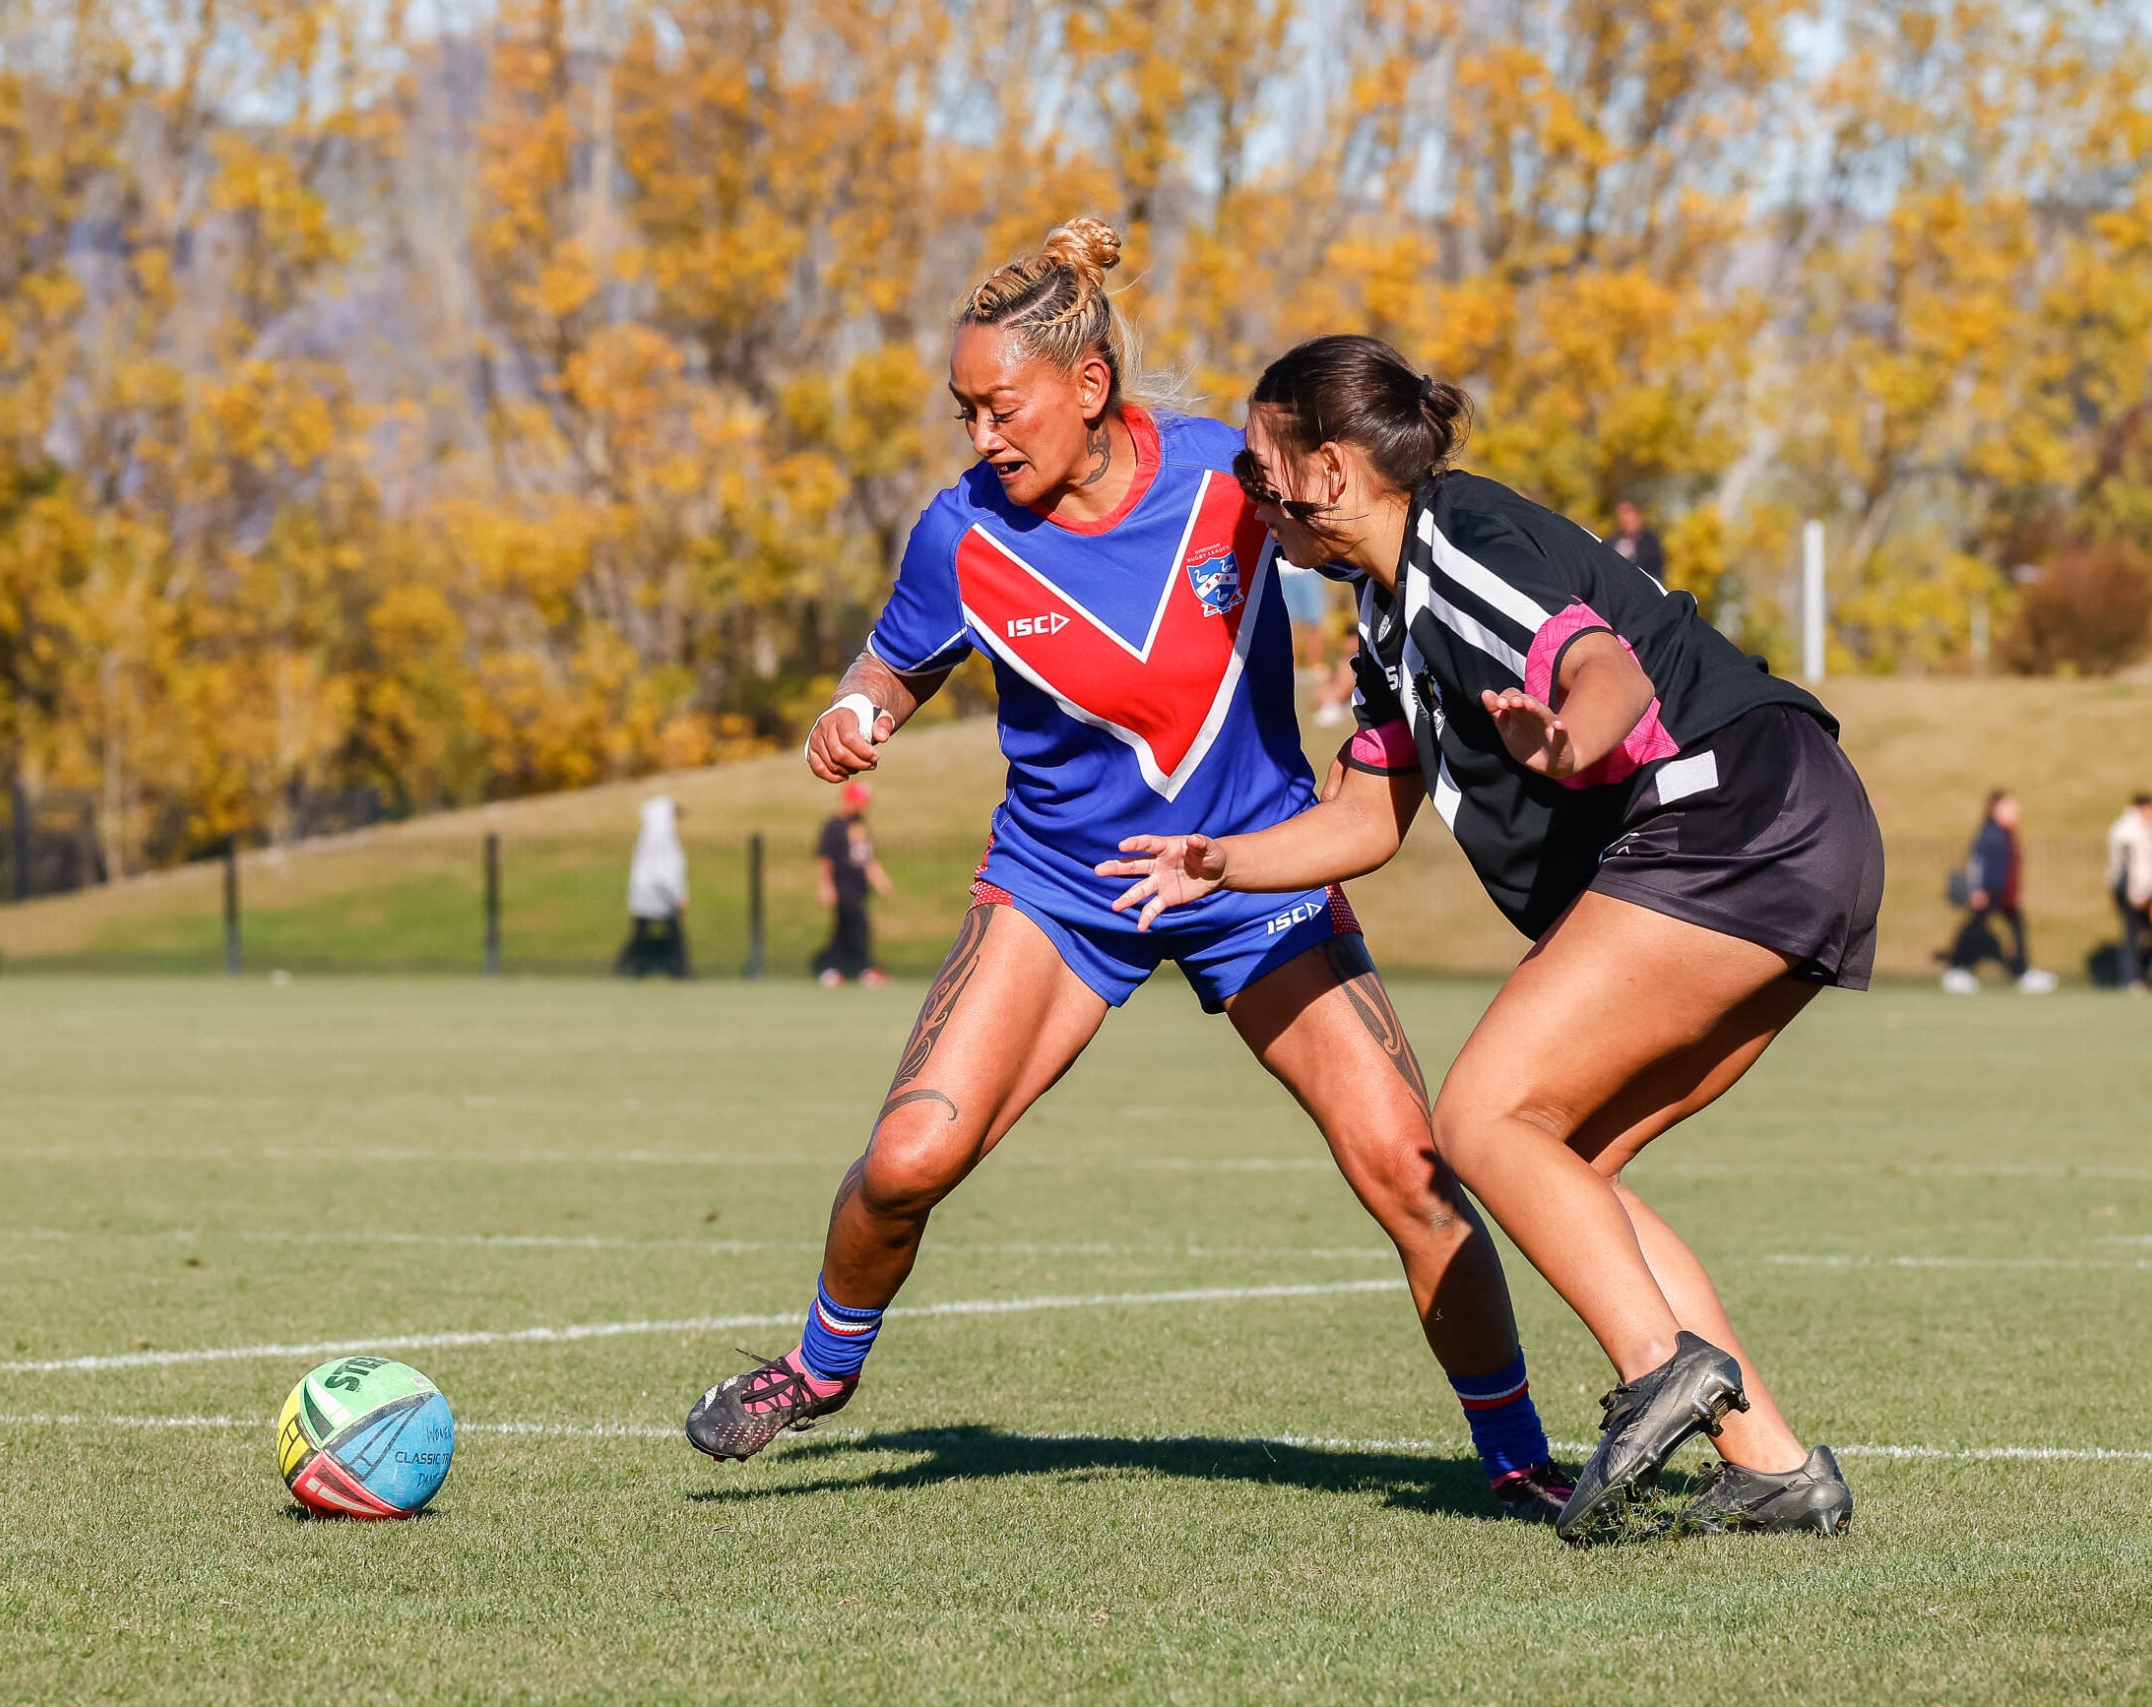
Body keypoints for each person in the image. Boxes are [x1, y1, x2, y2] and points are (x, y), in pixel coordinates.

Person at [687, 223, 1569, 1520]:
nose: (983, 434)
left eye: (1004, 406)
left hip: (1254, 872)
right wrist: (859, 705)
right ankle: (818, 1372)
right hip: (1061, 886)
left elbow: (1367, 525)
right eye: (966, 411)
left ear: (1090, 385)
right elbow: (899, 660)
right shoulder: (959, 534)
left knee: (1407, 1166)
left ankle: (1518, 1457)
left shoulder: (1229, 473)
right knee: (908, 1158)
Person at [1100, 334, 1880, 1540]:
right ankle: (1773, 1466)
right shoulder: (1384, 616)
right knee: (1565, 1162)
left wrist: (1568, 740)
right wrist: (1219, 861)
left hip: (1736, 814)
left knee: (1477, 1118)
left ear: (1334, 471)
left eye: (1260, 473)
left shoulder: (1455, 543)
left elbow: (1602, 667)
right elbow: (1364, 819)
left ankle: (1655, 1369)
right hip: (1787, 829)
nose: (1248, 504)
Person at [1942, 791, 2053, 993]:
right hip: (1989, 891)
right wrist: (1977, 890)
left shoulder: (2006, 832)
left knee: (2016, 927)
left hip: (2005, 892)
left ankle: (2023, 971)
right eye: (2009, 806)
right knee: (1974, 929)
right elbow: (1977, 863)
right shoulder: (1990, 833)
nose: (2015, 810)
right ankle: (1957, 970)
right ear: (1996, 809)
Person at [811, 781, 893, 988]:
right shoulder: (834, 826)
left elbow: (867, 857)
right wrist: (825, 885)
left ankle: (839, 968)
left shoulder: (860, 826)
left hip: (859, 888)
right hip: (842, 886)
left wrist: (880, 880)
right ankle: (857, 967)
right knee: (853, 927)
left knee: (849, 927)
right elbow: (825, 859)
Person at [615, 794, 690, 979]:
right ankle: (680, 970)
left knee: (642, 933)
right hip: (660, 895)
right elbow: (665, 872)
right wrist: (677, 894)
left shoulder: (647, 840)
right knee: (671, 934)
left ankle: (625, 968)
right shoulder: (662, 840)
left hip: (647, 895)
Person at [2105, 793, 2152, 992]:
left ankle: (2143, 975)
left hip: (2146, 890)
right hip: (2129, 889)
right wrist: (2135, 892)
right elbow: (2129, 866)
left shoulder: (2150, 829)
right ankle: (2129, 978)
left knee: (2148, 934)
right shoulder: (2126, 830)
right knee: (2131, 933)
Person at [1609, 500, 1665, 585]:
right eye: (1621, 514)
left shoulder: (1650, 542)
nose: (1624, 518)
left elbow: (1655, 572)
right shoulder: (1613, 541)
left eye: (1627, 512)